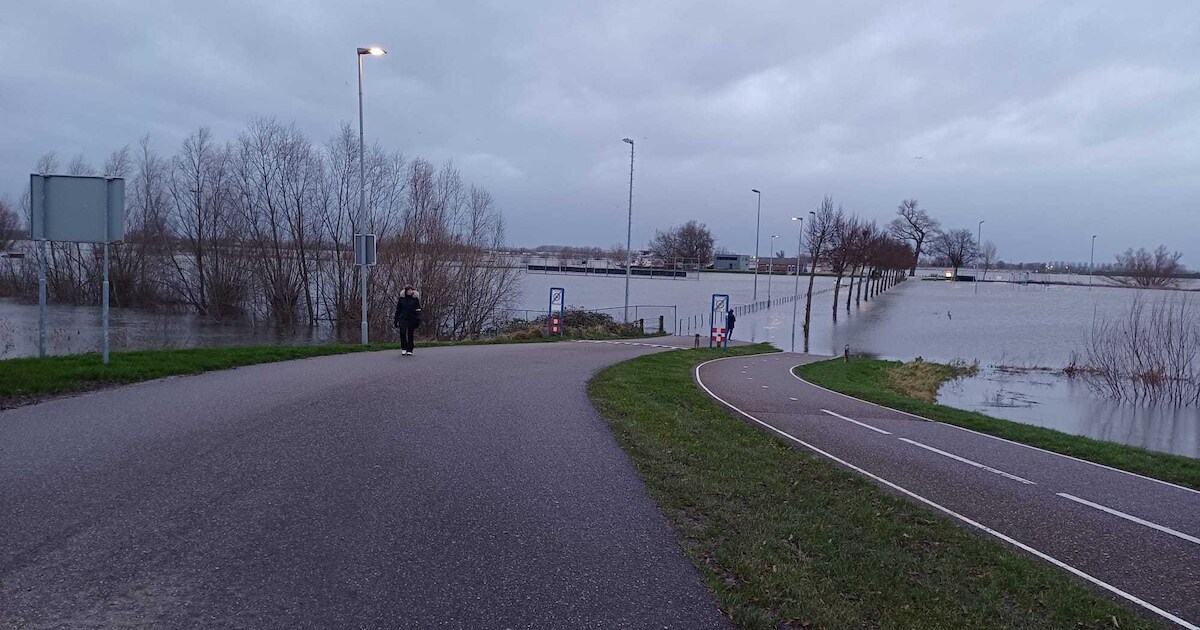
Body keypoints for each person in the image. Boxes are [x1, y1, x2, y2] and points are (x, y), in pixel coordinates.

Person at [393, 285, 422, 356]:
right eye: (408, 290)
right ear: (406, 291)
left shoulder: (415, 300)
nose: (410, 292)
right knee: (402, 333)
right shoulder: (401, 299)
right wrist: (396, 320)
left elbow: (418, 309)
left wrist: (418, 318)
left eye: (411, 290)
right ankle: (404, 348)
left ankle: (410, 349)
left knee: (410, 334)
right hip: (403, 318)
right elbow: (398, 310)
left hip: (412, 319)